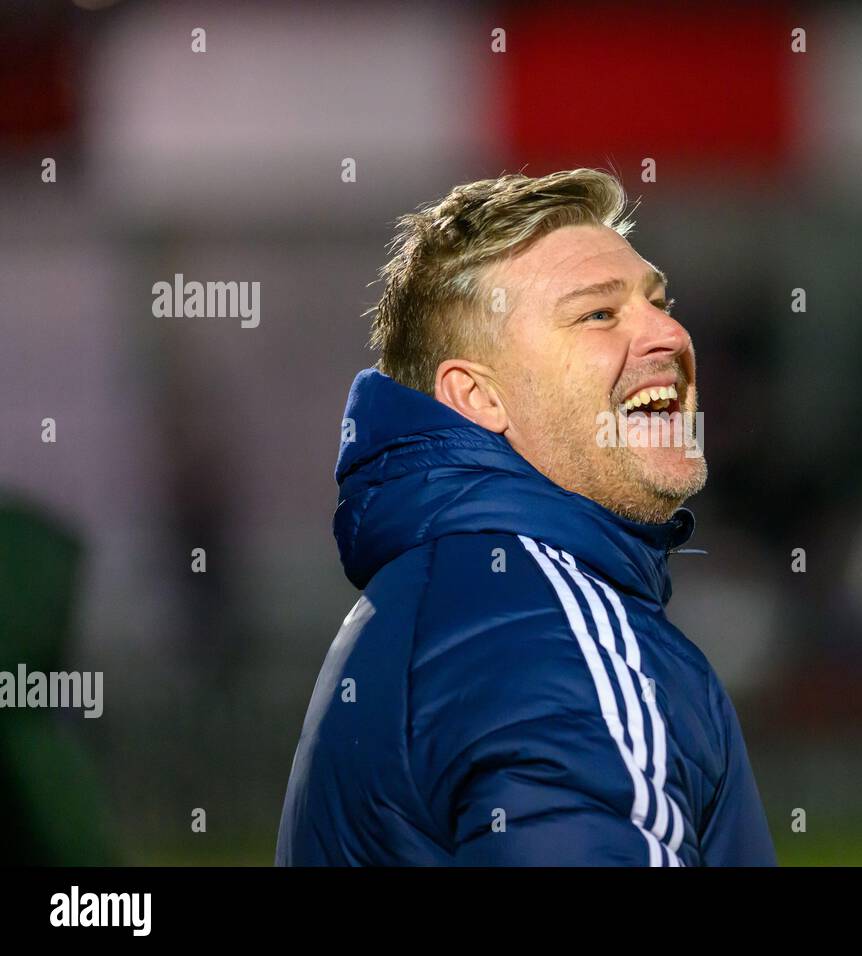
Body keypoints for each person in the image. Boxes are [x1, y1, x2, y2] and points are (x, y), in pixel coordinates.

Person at [276, 169, 776, 866]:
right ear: (478, 398)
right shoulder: (552, 638)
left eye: (659, 302)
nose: (668, 333)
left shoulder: (446, 597)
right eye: (598, 314)